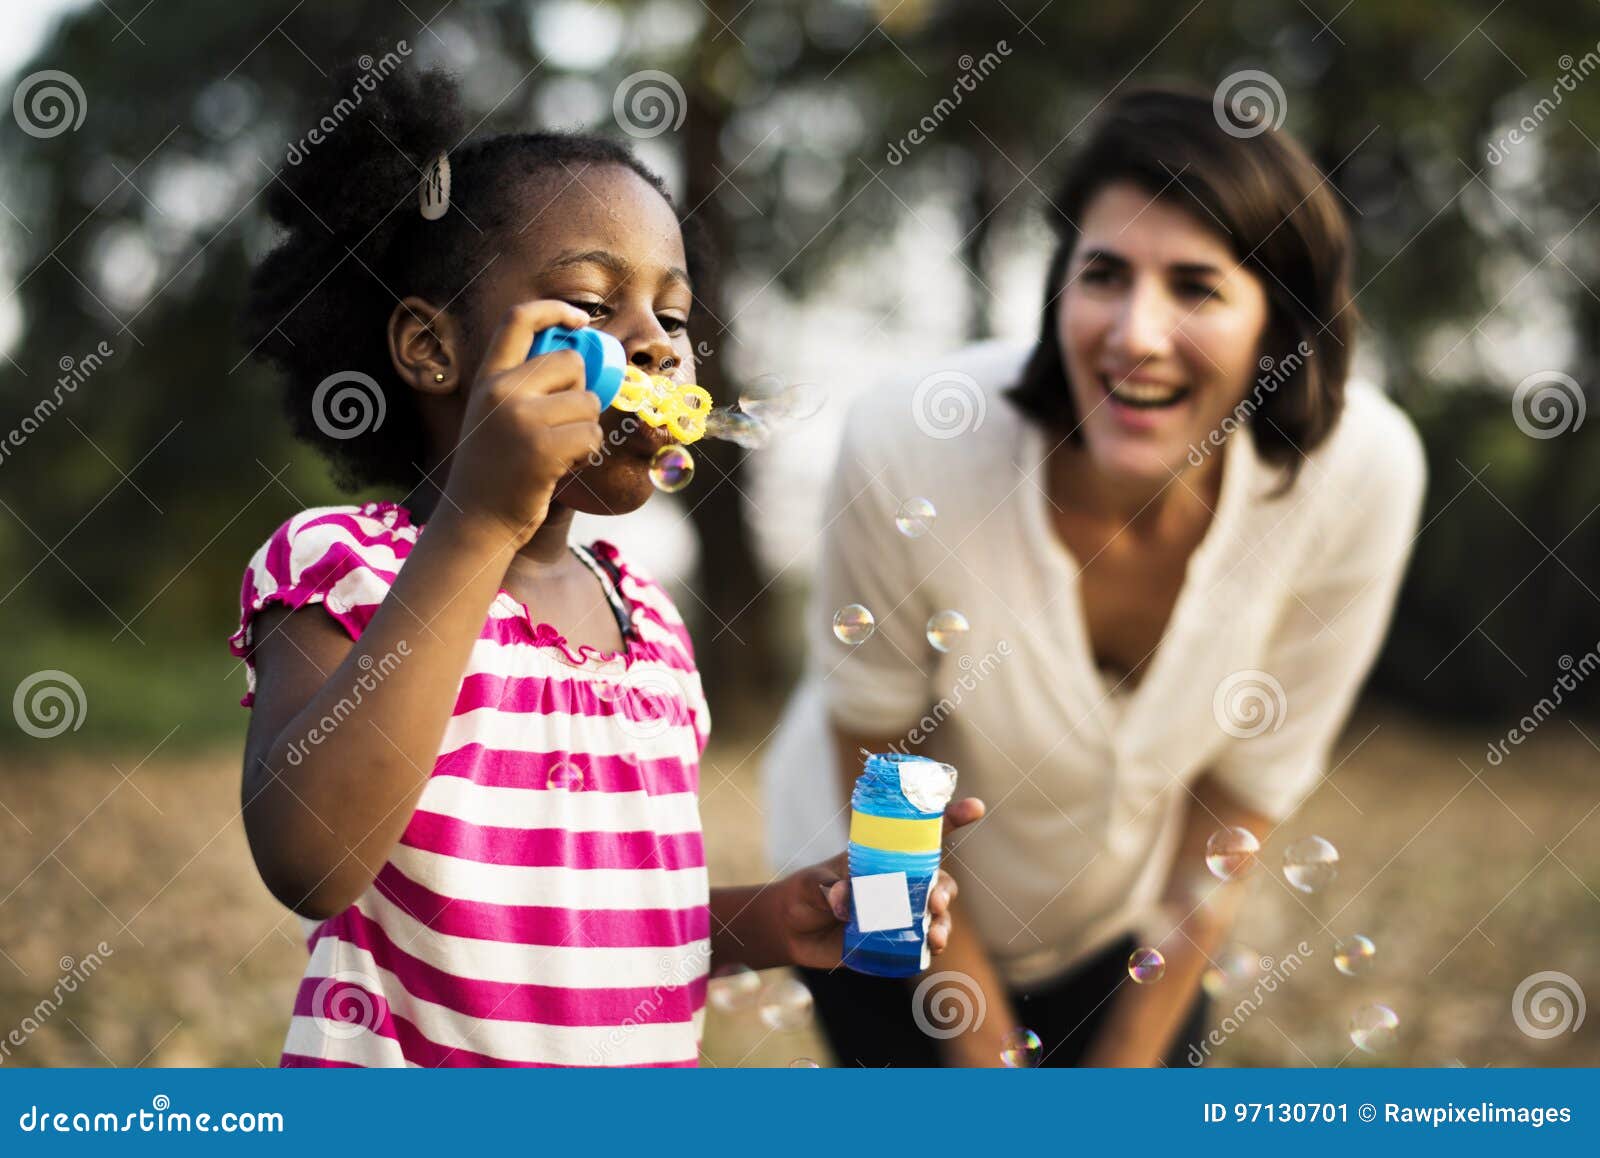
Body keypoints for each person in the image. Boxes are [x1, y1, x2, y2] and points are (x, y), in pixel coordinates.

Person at [227, 64, 980, 1068]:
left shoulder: (649, 622)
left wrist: (771, 918)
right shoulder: (347, 567)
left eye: (674, 317)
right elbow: (311, 863)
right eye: (591, 301)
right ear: (431, 347)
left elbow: (607, 918)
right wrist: (480, 523)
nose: (657, 346)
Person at [762, 87, 1426, 1067]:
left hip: (1117, 929)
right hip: (876, 903)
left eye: (1195, 288)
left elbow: (1236, 801)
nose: (1135, 334)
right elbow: (880, 755)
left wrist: (1122, 1077)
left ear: (1279, 329)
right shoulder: (910, 440)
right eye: (1104, 274)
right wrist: (988, 1061)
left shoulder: (1360, 474)